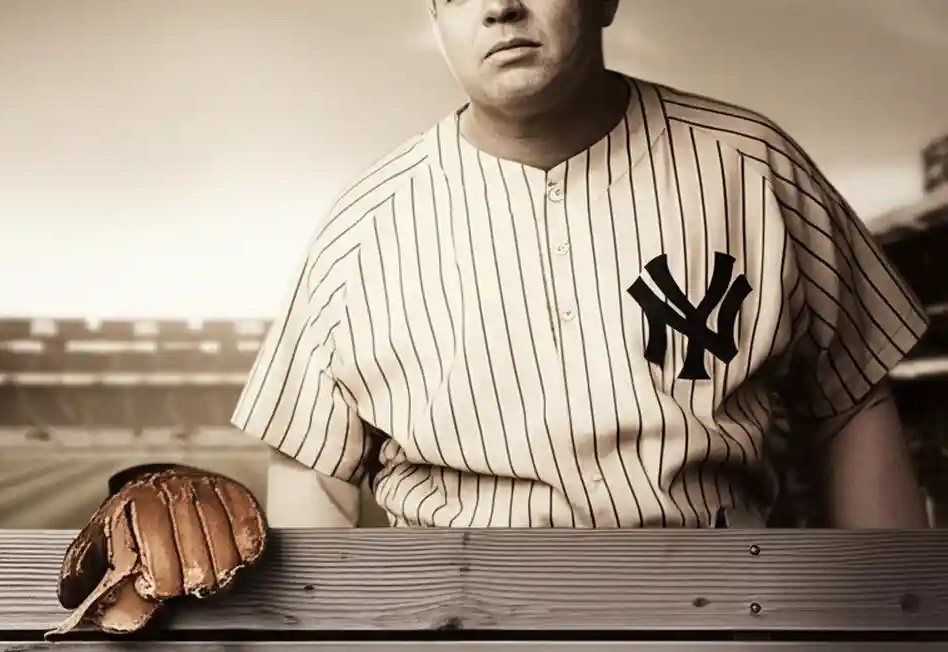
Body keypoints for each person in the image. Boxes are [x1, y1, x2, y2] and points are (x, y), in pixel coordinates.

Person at [229, 0, 932, 530]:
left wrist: (893, 647)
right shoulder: (363, 226)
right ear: (435, 21)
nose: (499, 5)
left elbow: (853, 401)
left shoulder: (751, 166)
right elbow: (310, 473)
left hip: (720, 645)